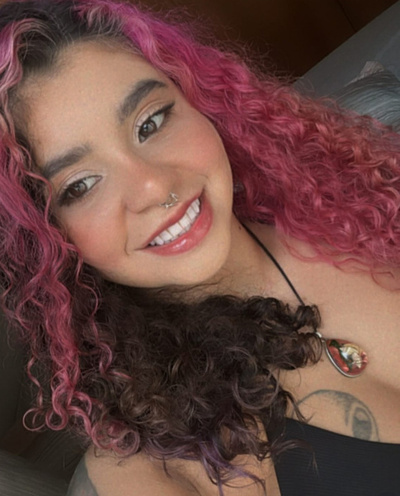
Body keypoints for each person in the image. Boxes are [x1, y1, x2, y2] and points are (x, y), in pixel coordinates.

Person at [0, 0, 400, 494]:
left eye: (150, 123)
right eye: (79, 186)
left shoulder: (365, 199)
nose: (153, 187)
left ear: (199, 101)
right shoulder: (150, 469)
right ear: (48, 240)